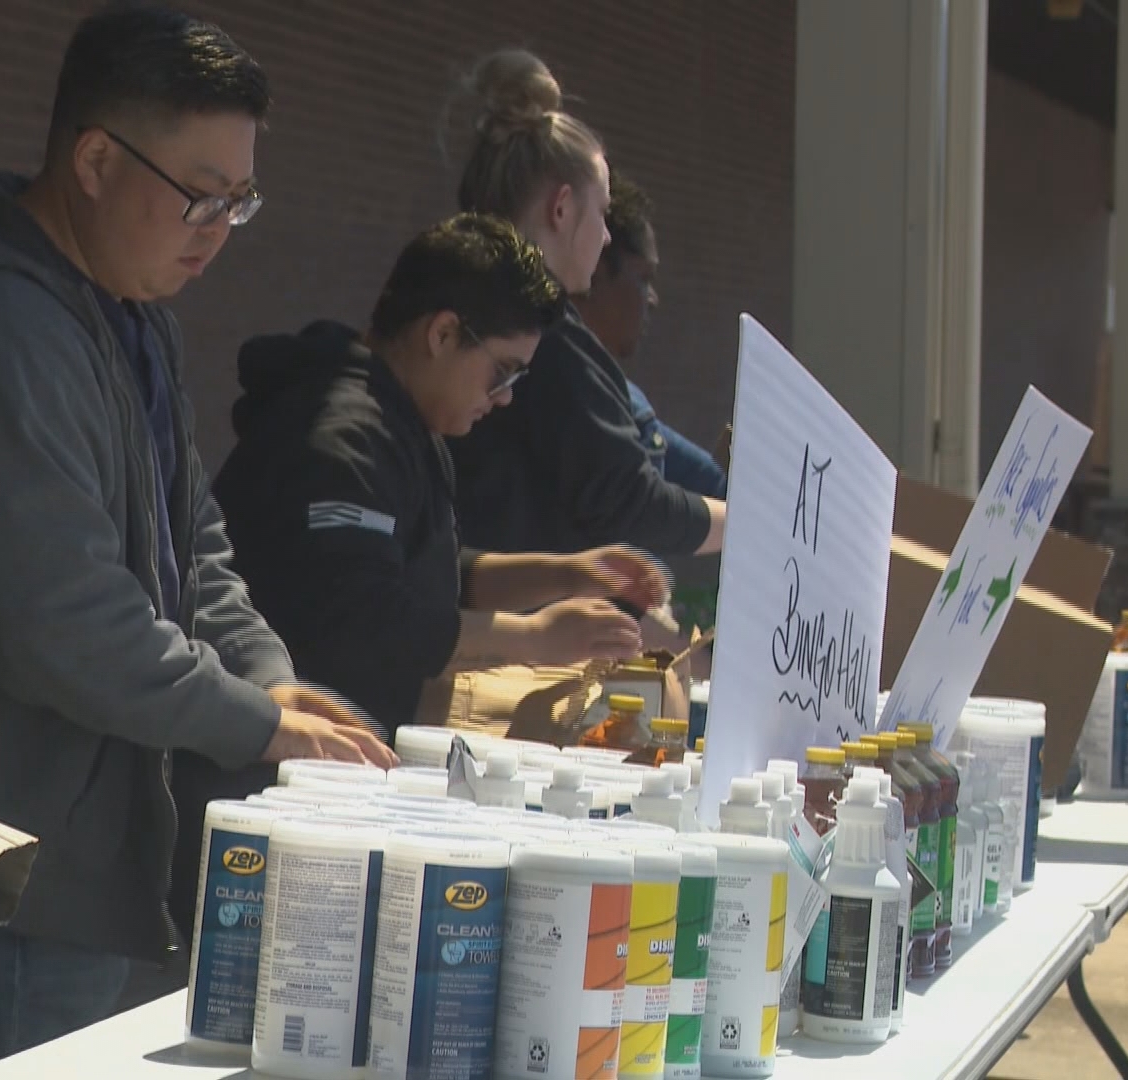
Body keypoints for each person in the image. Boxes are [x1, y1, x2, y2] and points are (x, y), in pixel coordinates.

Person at [0, 9, 393, 1078]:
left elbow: (191, 536)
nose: (219, 229)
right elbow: (56, 619)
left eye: (240, 199)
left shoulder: (129, 311)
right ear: (96, 161)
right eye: (201, 194)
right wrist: (255, 723)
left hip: (71, 885)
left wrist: (272, 679)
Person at [175, 214, 667, 933]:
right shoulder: (342, 436)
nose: (505, 398)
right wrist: (535, 638)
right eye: (502, 372)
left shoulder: (402, 422)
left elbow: (432, 572)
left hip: (323, 781)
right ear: (442, 334)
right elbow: (371, 618)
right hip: (268, 797)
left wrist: (566, 572)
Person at [445, 49, 729, 557]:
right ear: (561, 208)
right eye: (600, 212)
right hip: (526, 602)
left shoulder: (467, 302)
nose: (605, 237)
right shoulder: (541, 336)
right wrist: (754, 526)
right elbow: (630, 502)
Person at [579, 172, 729, 499]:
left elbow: (713, 485)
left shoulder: (625, 399)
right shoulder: (574, 394)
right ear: (595, 272)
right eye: (644, 278)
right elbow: (652, 509)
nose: (652, 299)